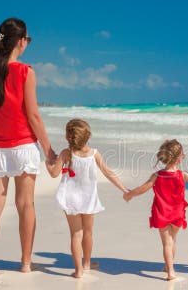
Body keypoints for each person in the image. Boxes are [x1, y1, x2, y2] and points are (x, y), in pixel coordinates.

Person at [0, 18, 55, 279]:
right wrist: (50, 151)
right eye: (27, 39)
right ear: (20, 41)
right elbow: (33, 116)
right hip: (22, 146)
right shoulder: (25, 72)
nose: (27, 43)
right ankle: (26, 263)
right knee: (25, 204)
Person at [47, 119, 130, 278]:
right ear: (89, 136)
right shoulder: (94, 154)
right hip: (88, 198)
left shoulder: (66, 153)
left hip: (70, 198)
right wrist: (124, 189)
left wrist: (48, 162)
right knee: (88, 232)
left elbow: (53, 173)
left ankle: (78, 270)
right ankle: (86, 264)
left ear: (68, 137)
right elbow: (108, 173)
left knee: (75, 235)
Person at [124, 139, 188, 281]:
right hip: (177, 213)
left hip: (162, 213)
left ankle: (170, 271)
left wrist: (130, 194)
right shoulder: (181, 174)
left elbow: (143, 188)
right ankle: (169, 266)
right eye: (182, 154)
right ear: (179, 158)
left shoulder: (158, 175)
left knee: (167, 243)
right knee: (173, 241)